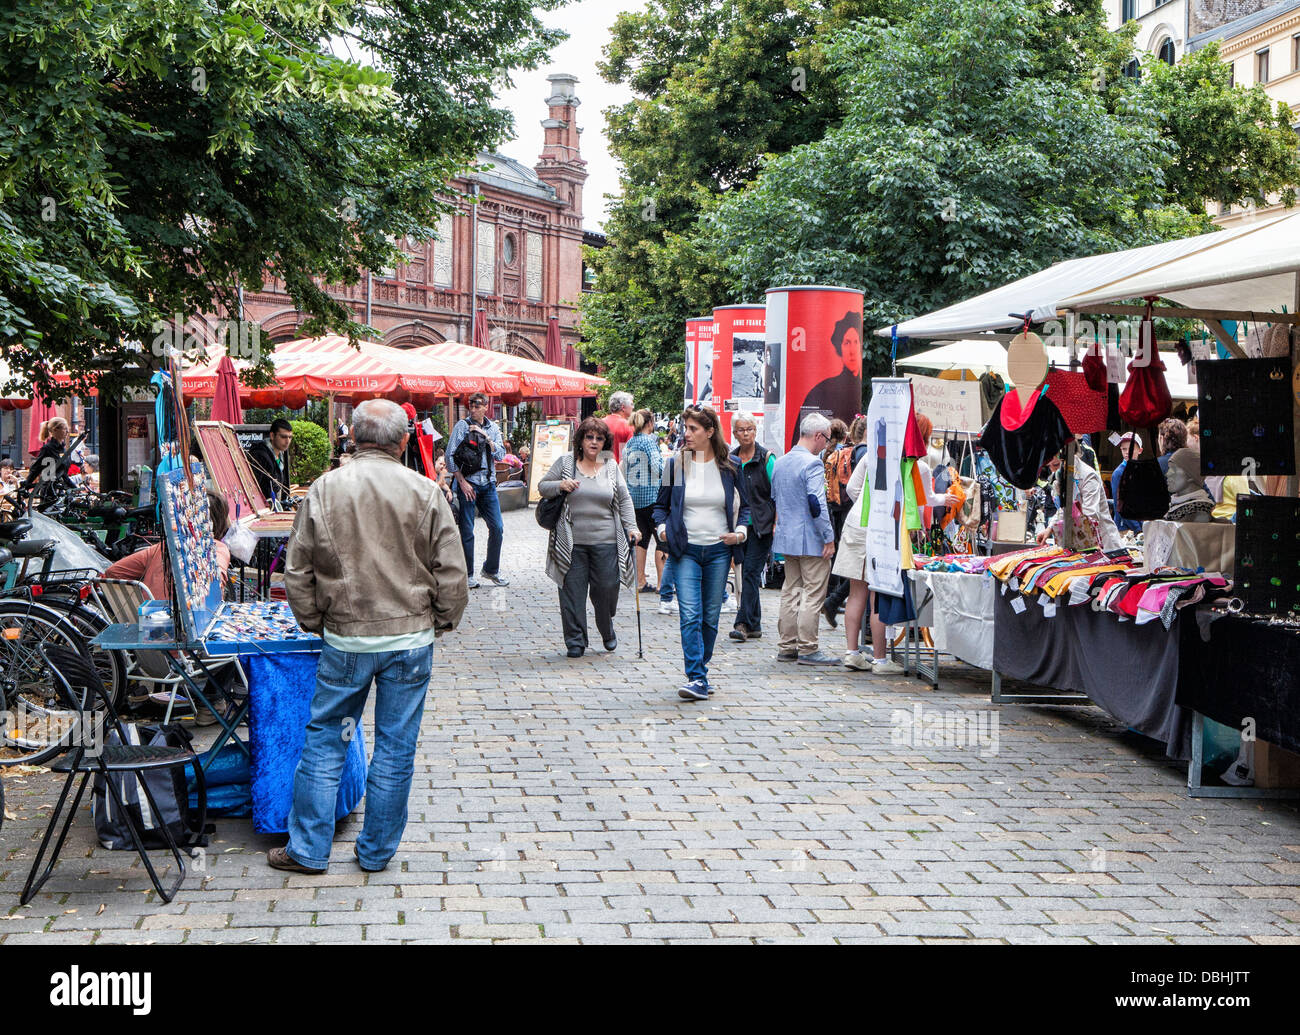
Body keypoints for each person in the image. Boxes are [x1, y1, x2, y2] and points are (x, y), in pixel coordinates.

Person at [274, 399, 468, 875]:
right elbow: (453, 574)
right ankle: (376, 852)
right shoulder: (424, 491)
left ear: (354, 438)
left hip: (346, 640)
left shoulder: (324, 489)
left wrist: (314, 620)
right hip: (408, 640)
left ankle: (309, 850)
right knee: (396, 746)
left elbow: (295, 571)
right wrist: (440, 620)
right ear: (403, 442)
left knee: (326, 742)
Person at [653, 405, 749, 701]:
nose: (687, 434)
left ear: (710, 432)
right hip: (686, 550)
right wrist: (661, 530)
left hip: (720, 551)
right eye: (686, 428)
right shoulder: (676, 465)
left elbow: (745, 507)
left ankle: (700, 670)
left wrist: (740, 533)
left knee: (710, 618)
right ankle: (696, 676)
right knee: (690, 615)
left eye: (694, 429)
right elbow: (660, 507)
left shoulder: (731, 466)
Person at [539, 417, 640, 657]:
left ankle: (606, 628)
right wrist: (560, 485)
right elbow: (543, 486)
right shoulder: (566, 463)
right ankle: (575, 641)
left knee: (607, 589)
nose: (594, 442)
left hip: (606, 542)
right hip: (571, 542)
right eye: (589, 437)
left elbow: (624, 499)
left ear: (605, 442)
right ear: (581, 440)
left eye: (599, 438)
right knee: (571, 593)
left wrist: (632, 527)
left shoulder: (610, 465)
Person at [772, 413, 838, 666]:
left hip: (787, 537)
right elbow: (816, 503)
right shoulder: (812, 464)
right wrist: (828, 537)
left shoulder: (780, 462)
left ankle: (787, 645)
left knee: (790, 591)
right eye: (827, 440)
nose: (827, 445)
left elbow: (776, 498)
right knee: (813, 593)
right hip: (811, 539)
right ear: (818, 436)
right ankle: (809, 648)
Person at [106, 491, 232, 599]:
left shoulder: (161, 547)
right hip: (185, 623)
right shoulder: (218, 548)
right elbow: (217, 578)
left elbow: (113, 572)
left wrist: (143, 600)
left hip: (149, 618)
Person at [445, 392, 509, 589]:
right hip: (469, 484)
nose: (472, 409)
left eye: (477, 405)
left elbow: (501, 454)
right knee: (467, 530)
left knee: (497, 528)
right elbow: (449, 457)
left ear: (486, 407)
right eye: (470, 406)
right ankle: (468, 574)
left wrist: (486, 437)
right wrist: (461, 482)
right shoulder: (462, 426)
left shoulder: (493, 428)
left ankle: (491, 570)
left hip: (488, 484)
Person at [728, 415, 774, 641]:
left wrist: (776, 522)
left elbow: (776, 493)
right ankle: (755, 624)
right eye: (741, 430)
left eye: (749, 429)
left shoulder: (766, 458)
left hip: (760, 525)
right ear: (734, 434)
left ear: (755, 431)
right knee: (746, 574)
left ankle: (742, 622)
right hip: (738, 526)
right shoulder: (730, 459)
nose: (745, 433)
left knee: (750, 573)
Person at [790, 312, 862, 449]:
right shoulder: (823, 388)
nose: (852, 350)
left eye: (855, 342)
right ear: (839, 348)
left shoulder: (854, 390)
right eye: (847, 343)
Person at [1036, 451, 1123, 552]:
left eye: (1055, 465)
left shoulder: (1088, 475)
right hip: (1081, 542)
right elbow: (1064, 508)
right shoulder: (1062, 476)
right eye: (1049, 466)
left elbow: (1090, 513)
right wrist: (1049, 528)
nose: (1053, 470)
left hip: (1104, 543)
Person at [622, 409, 663, 592]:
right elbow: (657, 468)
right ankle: (663, 584)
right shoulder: (649, 442)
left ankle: (640, 581)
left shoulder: (630, 443)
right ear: (650, 423)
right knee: (662, 540)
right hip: (652, 497)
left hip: (635, 499)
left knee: (641, 539)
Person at [246, 417, 293, 505]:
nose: (287, 441)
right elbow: (252, 488)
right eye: (283, 437)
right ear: (272, 436)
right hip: (262, 508)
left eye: (290, 437)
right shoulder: (259, 455)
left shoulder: (282, 454)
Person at [1111, 431, 1144, 533]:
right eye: (1124, 449)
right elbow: (1121, 505)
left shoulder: (1141, 470)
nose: (1127, 452)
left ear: (1140, 450)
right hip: (1124, 528)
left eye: (1131, 449)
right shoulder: (1119, 473)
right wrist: (1138, 529)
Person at [602, 391, 635, 462]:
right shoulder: (628, 426)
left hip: (599, 469)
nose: (633, 407)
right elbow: (629, 454)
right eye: (631, 404)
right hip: (619, 470)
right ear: (623, 407)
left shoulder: (600, 423)